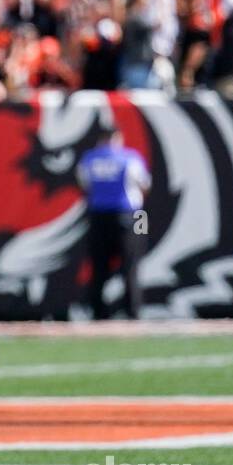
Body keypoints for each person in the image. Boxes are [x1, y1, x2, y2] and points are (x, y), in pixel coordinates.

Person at [77, 120, 151, 320]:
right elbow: (144, 185)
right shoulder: (130, 157)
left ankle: (97, 313)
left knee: (99, 266)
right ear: (118, 138)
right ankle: (133, 312)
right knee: (131, 265)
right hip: (130, 215)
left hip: (98, 216)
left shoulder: (89, 159)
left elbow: (84, 185)